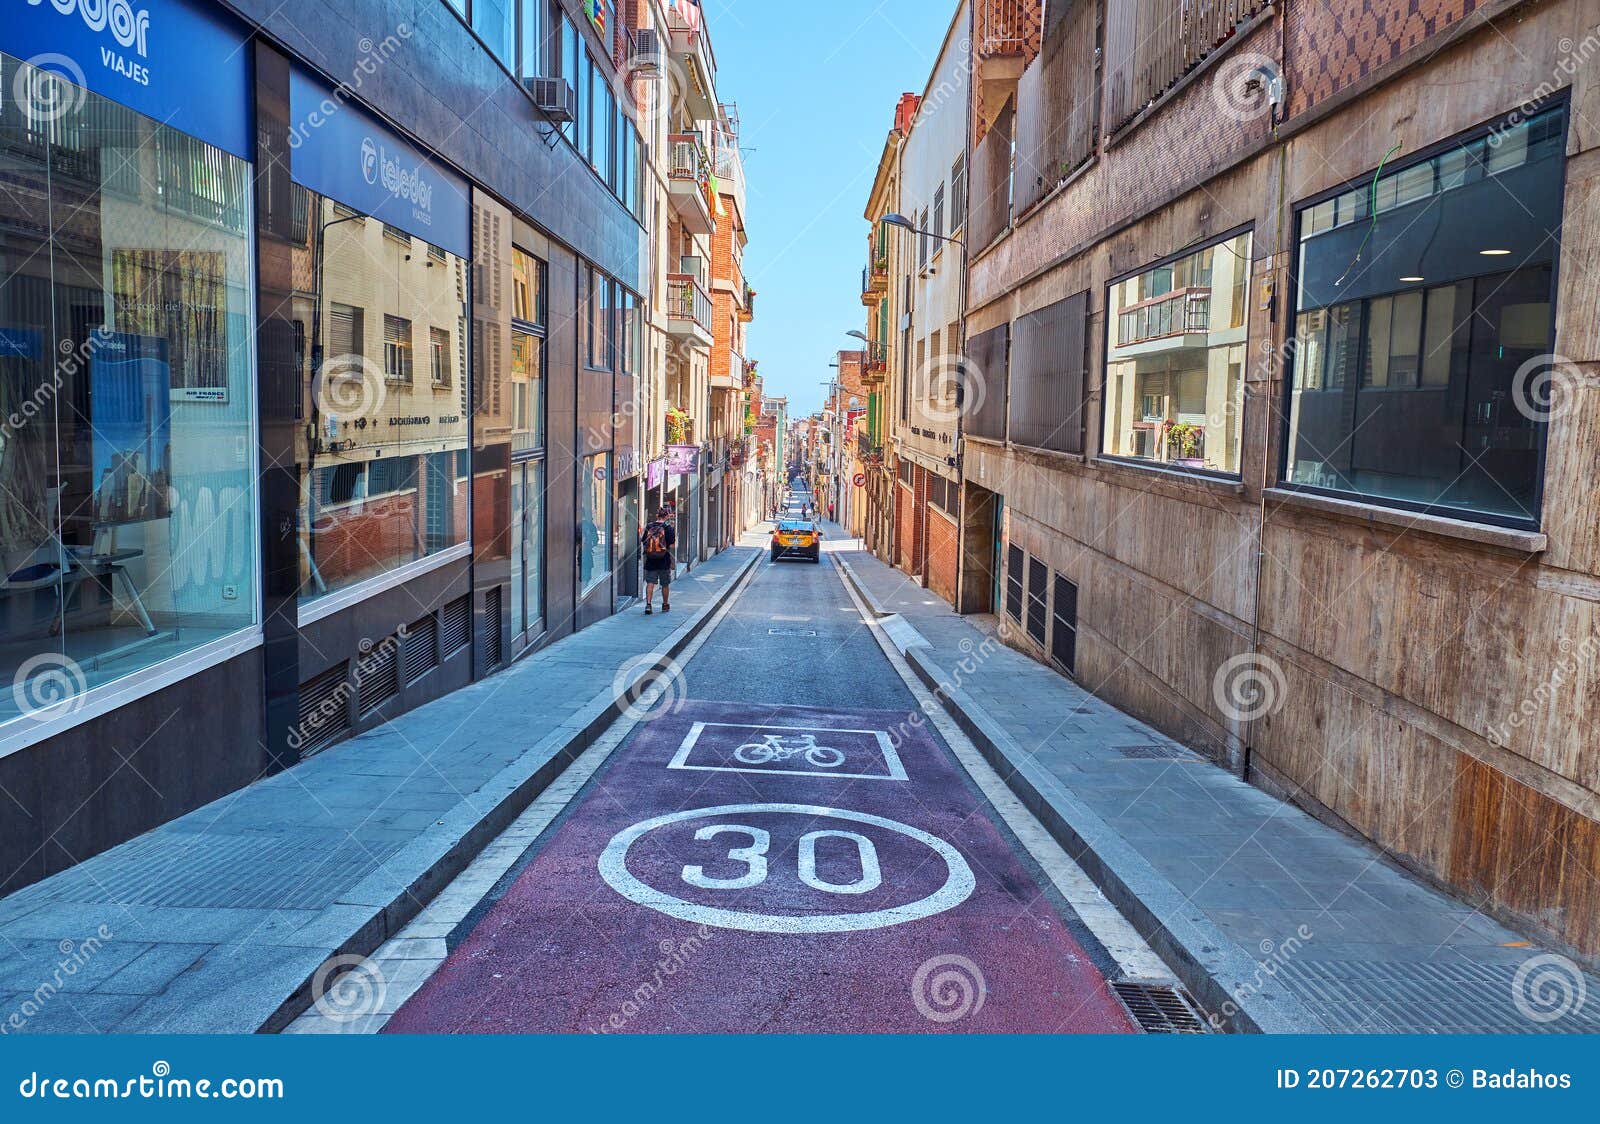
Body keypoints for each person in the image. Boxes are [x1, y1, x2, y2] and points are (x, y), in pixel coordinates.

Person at [639, 507, 677, 615]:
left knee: (650, 582)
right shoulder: (668, 528)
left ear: (657, 516)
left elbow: (644, 541)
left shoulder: (649, 526)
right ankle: (665, 605)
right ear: (666, 517)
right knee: (665, 584)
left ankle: (648, 605)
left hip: (651, 559)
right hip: (664, 560)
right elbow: (672, 544)